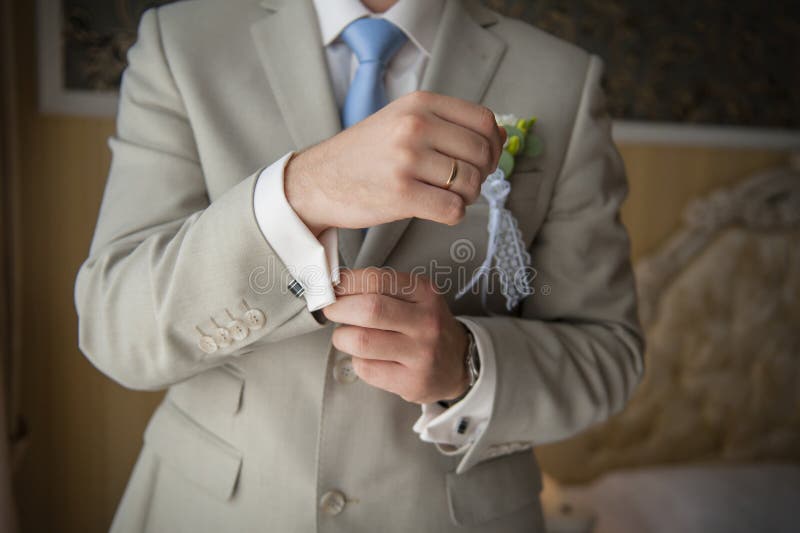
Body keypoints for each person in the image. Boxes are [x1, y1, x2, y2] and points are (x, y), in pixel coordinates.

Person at [74, 0, 644, 531]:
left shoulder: (562, 78)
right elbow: (115, 329)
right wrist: (303, 191)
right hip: (210, 509)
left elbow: (608, 351)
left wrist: (468, 368)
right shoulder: (183, 42)